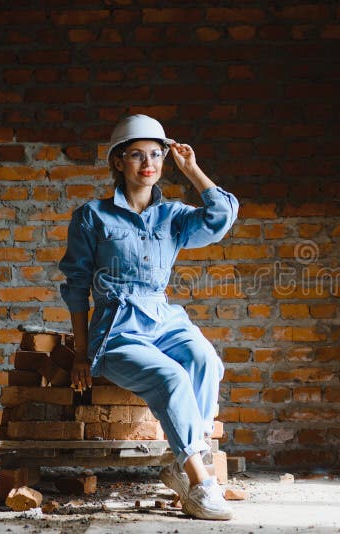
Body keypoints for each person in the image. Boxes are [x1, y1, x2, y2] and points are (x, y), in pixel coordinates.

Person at [58, 115, 238, 520]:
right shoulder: (92, 217)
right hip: (118, 328)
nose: (148, 163)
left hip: (164, 318)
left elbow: (221, 218)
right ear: (118, 162)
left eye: (156, 154)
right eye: (136, 155)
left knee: (207, 361)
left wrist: (191, 170)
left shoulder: (173, 216)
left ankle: (181, 463)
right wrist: (81, 353)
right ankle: (201, 485)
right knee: (171, 377)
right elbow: (75, 287)